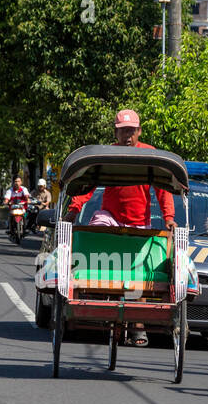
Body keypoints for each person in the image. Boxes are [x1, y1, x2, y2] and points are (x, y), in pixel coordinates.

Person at [65, 108, 177, 345]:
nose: (127, 135)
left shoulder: (150, 155)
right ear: (116, 132)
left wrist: (168, 218)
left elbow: (163, 191)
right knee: (95, 232)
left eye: (131, 131)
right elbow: (88, 186)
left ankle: (137, 325)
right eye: (123, 131)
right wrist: (73, 210)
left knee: (141, 273)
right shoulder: (106, 154)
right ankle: (100, 305)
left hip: (139, 221)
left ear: (139, 131)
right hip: (110, 217)